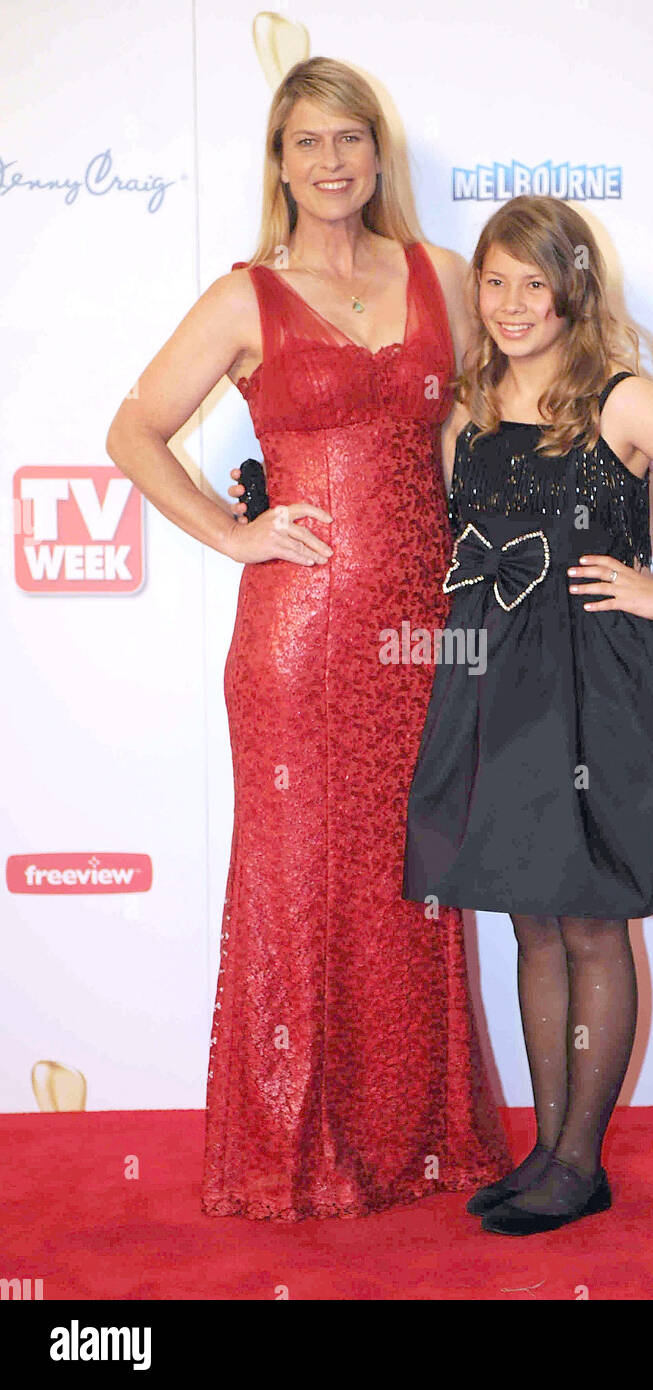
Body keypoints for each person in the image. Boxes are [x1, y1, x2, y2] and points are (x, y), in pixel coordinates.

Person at [106, 56, 510, 1223]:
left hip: (422, 631)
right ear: (278, 164)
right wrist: (231, 534)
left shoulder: (439, 274)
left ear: (377, 154)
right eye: (307, 143)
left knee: (414, 882)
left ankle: (418, 1139)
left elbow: (479, 426)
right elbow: (133, 430)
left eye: (349, 139)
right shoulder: (246, 297)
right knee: (299, 882)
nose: (331, 162)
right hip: (299, 639)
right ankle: (295, 1151)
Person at [402, 194, 653, 1236]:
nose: (511, 303)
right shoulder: (468, 414)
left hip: (599, 688)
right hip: (498, 688)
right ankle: (546, 1150)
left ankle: (580, 1162)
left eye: (534, 283)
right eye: (494, 281)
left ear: (572, 292)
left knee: (587, 919)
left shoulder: (620, 401)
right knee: (528, 919)